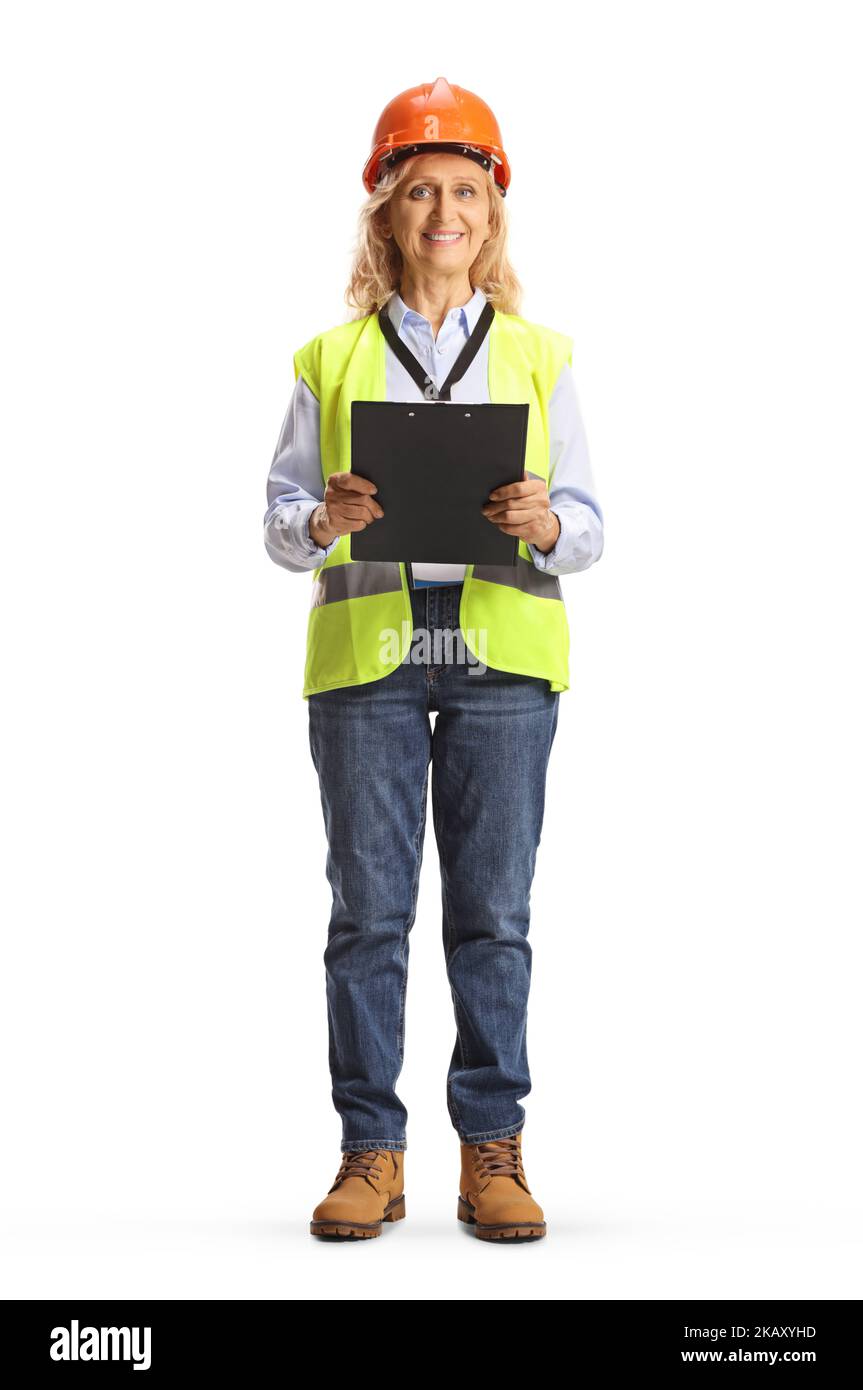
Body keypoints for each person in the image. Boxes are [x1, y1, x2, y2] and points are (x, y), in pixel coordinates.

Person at [263, 77, 604, 1242]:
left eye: (464, 190)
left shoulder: (542, 357)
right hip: (369, 651)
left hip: (502, 656)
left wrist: (545, 523)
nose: (443, 212)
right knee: (366, 915)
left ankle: (490, 1150)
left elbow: (590, 524)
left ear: (491, 212)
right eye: (420, 191)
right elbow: (277, 522)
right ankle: (370, 1153)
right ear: (386, 211)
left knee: (491, 915)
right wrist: (324, 519)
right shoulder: (327, 358)